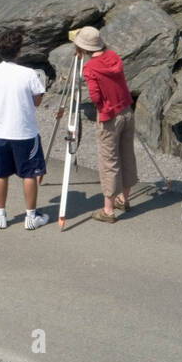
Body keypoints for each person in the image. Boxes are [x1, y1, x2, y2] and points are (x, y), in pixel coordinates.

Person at [0, 28, 49, 230]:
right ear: (19, 51)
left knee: (0, 174)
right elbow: (37, 102)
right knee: (29, 174)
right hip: (25, 133)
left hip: (0, 132)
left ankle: (0, 214)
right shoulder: (28, 74)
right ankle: (31, 216)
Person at [74, 26, 137, 222]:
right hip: (126, 110)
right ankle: (123, 198)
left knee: (109, 161)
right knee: (127, 154)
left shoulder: (90, 67)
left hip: (109, 117)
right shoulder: (113, 57)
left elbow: (94, 96)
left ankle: (108, 210)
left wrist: (102, 107)